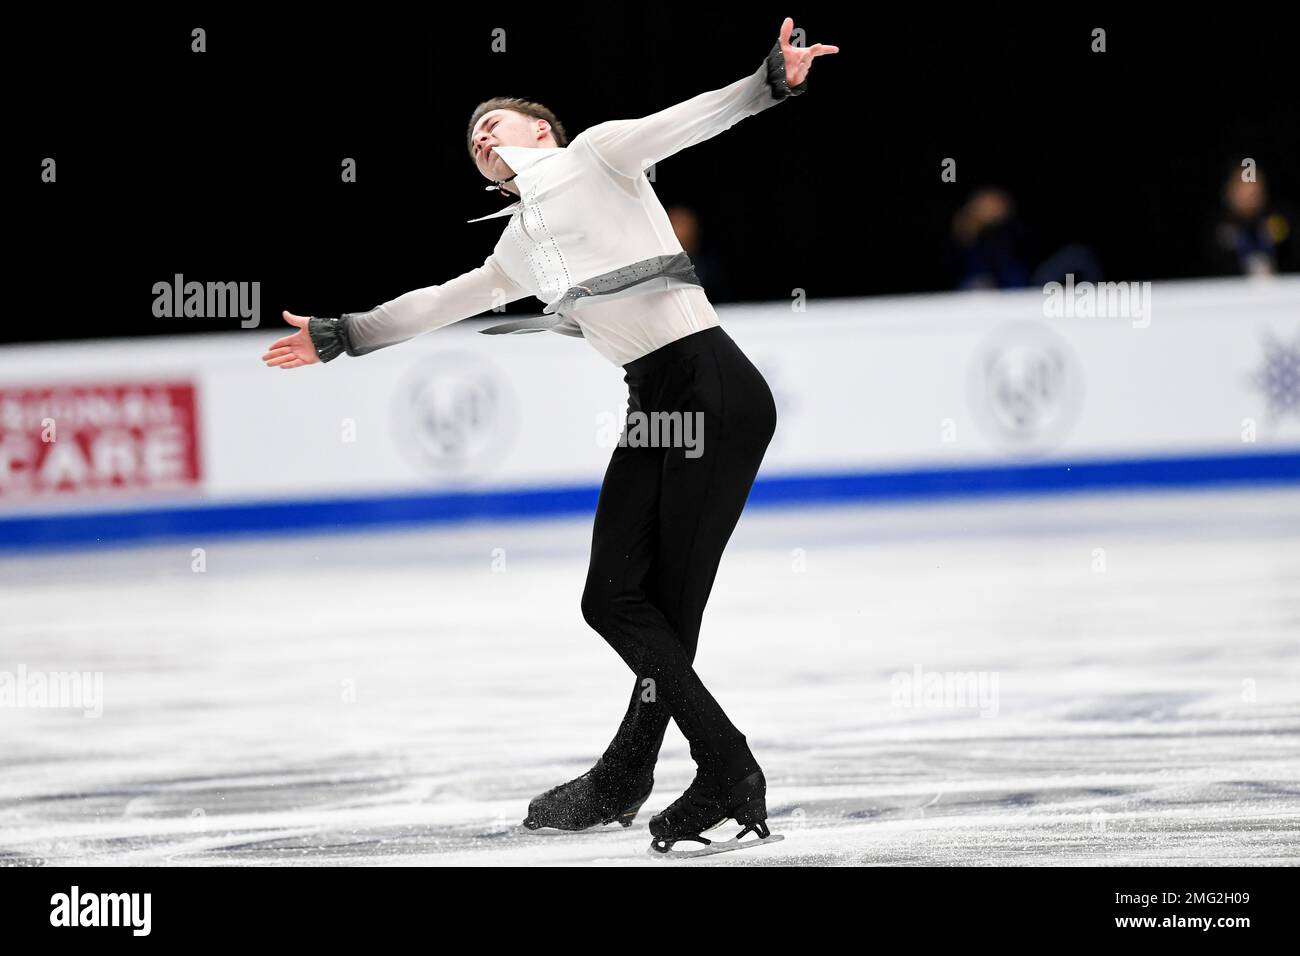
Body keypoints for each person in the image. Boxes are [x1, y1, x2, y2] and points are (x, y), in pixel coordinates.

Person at [263, 17, 838, 855]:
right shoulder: (517, 249)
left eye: (494, 121)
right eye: (470, 140)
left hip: (712, 385)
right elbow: (434, 302)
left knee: (631, 606)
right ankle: (630, 773)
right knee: (631, 603)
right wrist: (344, 333)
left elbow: (692, 117)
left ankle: (724, 769)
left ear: (544, 130)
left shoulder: (596, 156)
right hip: (658, 399)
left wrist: (770, 82)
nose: (480, 135)